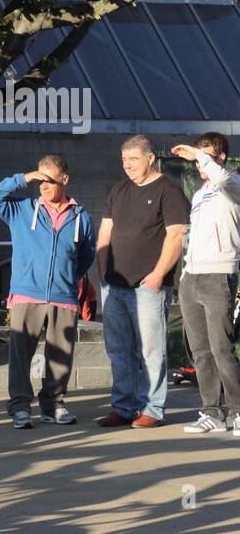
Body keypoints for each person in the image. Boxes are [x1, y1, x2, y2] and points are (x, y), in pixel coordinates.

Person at [0, 158, 96, 429]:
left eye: (50, 180)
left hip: (64, 296)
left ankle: (53, 405)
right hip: (27, 294)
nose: (43, 185)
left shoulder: (82, 217)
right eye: (40, 180)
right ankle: (20, 407)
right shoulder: (23, 210)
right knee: (21, 355)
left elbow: (86, 255)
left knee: (60, 357)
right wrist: (23, 178)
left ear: (65, 180)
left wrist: (67, 279)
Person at [95, 136, 189, 428]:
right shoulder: (119, 190)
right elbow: (105, 233)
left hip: (148, 286)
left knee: (151, 349)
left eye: (133, 159)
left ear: (150, 158)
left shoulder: (168, 191)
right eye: (124, 160)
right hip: (114, 285)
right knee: (119, 349)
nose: (128, 166)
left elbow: (176, 236)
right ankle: (123, 407)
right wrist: (102, 270)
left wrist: (159, 274)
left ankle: (153, 408)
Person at [171, 136, 240, 435]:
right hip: (192, 278)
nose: (199, 164)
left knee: (221, 348)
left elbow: (221, 177)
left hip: (219, 276)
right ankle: (212, 411)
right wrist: (185, 274)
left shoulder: (232, 184)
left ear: (221, 157)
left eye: (206, 158)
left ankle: (238, 411)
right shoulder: (199, 195)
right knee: (200, 351)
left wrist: (200, 155)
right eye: (197, 160)